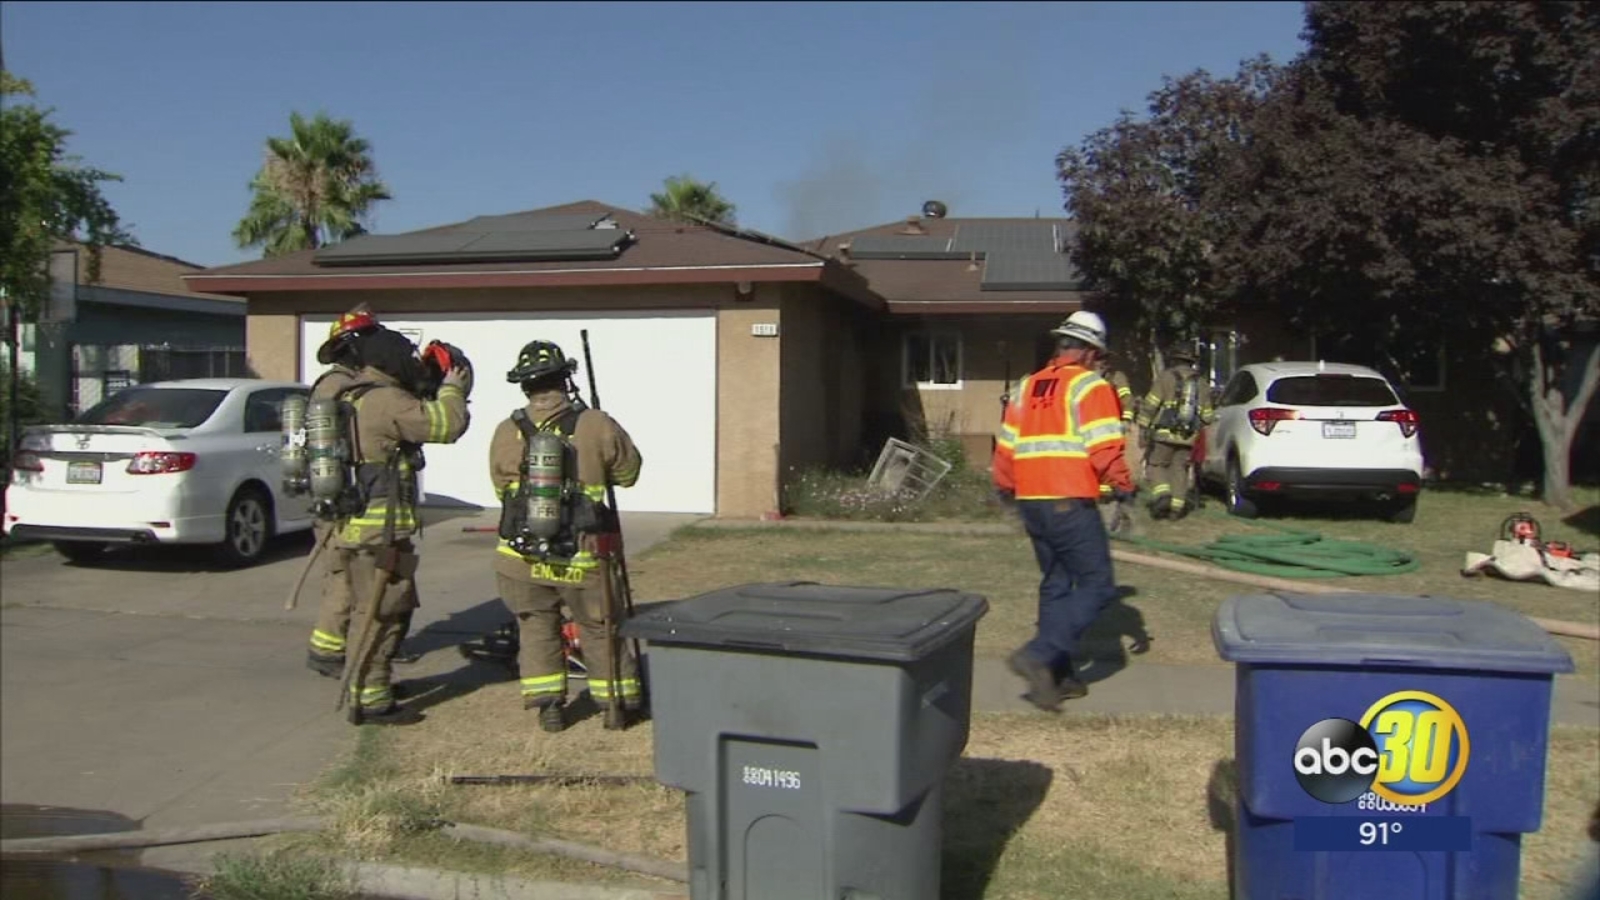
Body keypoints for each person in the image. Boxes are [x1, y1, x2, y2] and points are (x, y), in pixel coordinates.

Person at [489, 340, 643, 733]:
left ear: (524, 386)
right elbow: (628, 475)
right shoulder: (595, 422)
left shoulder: (506, 430)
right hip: (583, 555)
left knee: (537, 626)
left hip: (521, 559)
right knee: (599, 626)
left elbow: (501, 491)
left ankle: (549, 707)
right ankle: (615, 705)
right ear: (565, 378)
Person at [993, 310, 1137, 711]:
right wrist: (1124, 486)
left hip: (1032, 502)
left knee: (1056, 584)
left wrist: (1006, 488)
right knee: (1097, 585)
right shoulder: (1091, 387)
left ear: (1063, 346)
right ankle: (1040, 653)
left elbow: (1006, 449)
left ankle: (1056, 678)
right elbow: (1105, 447)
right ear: (1090, 353)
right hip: (1068, 501)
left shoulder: (1027, 387)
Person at [329, 326, 472, 724]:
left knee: (373, 610)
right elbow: (445, 426)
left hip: (356, 525)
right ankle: (372, 698)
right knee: (383, 613)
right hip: (381, 531)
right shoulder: (387, 399)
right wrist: (453, 388)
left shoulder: (351, 394)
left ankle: (371, 684)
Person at [304, 306, 421, 678]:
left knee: (345, 578)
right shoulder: (341, 385)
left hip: (341, 495)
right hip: (350, 500)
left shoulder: (339, 383)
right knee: (347, 581)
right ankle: (335, 652)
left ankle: (337, 647)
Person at [1136, 342, 1214, 521]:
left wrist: (1143, 429)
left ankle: (1163, 496)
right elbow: (1208, 416)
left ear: (1174, 359)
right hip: (1188, 437)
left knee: (1156, 465)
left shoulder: (1165, 378)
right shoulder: (1201, 384)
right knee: (1180, 470)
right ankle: (1176, 510)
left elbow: (1150, 405)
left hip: (1164, 434)